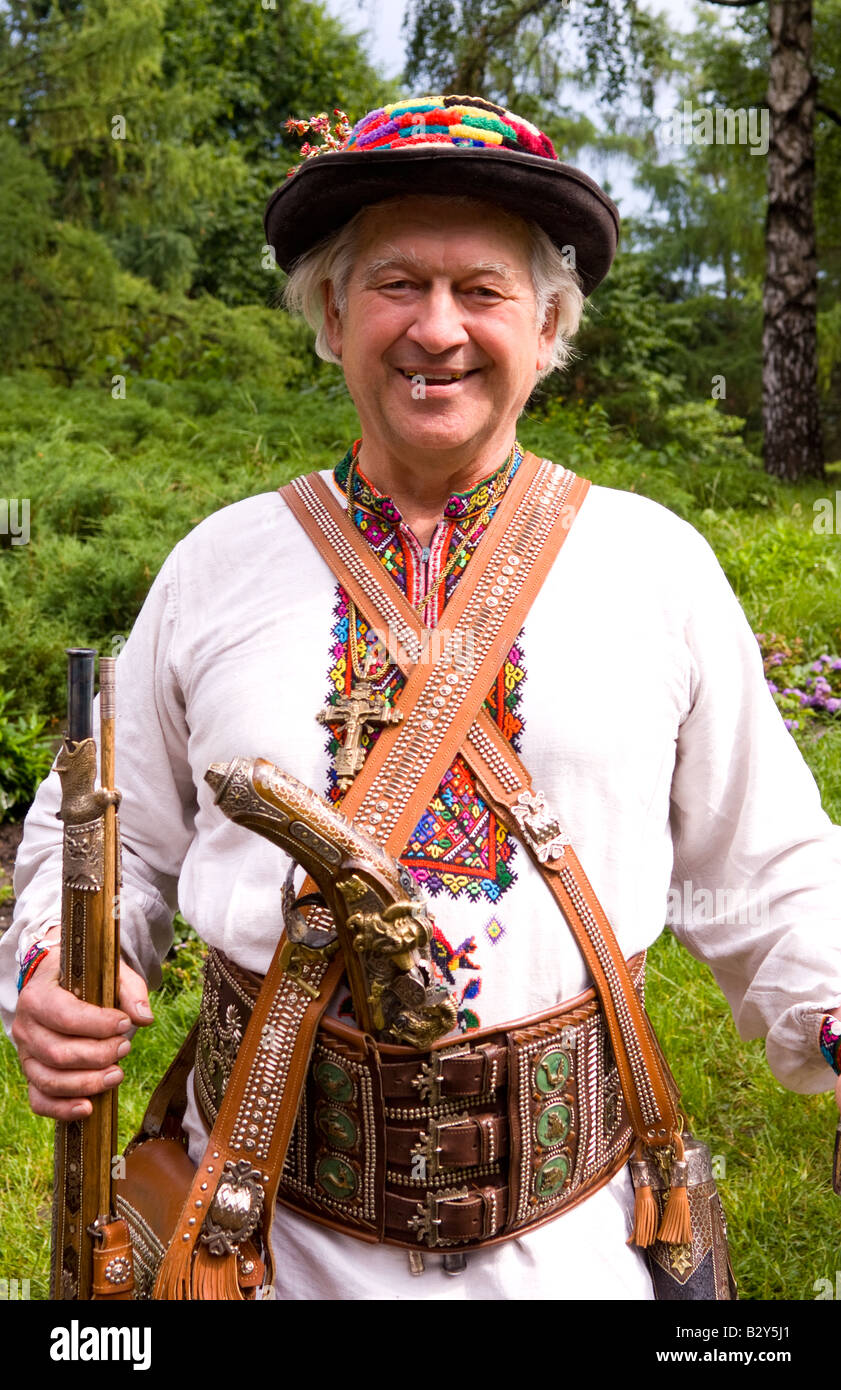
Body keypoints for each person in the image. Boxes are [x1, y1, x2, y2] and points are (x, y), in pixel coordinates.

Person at [3, 93, 841, 1302]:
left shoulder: (656, 567)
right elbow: (102, 839)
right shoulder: (217, 565)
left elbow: (768, 863)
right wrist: (55, 969)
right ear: (334, 315)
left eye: (484, 291)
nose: (436, 329)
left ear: (549, 328)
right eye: (396, 284)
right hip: (261, 1247)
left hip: (574, 1250)